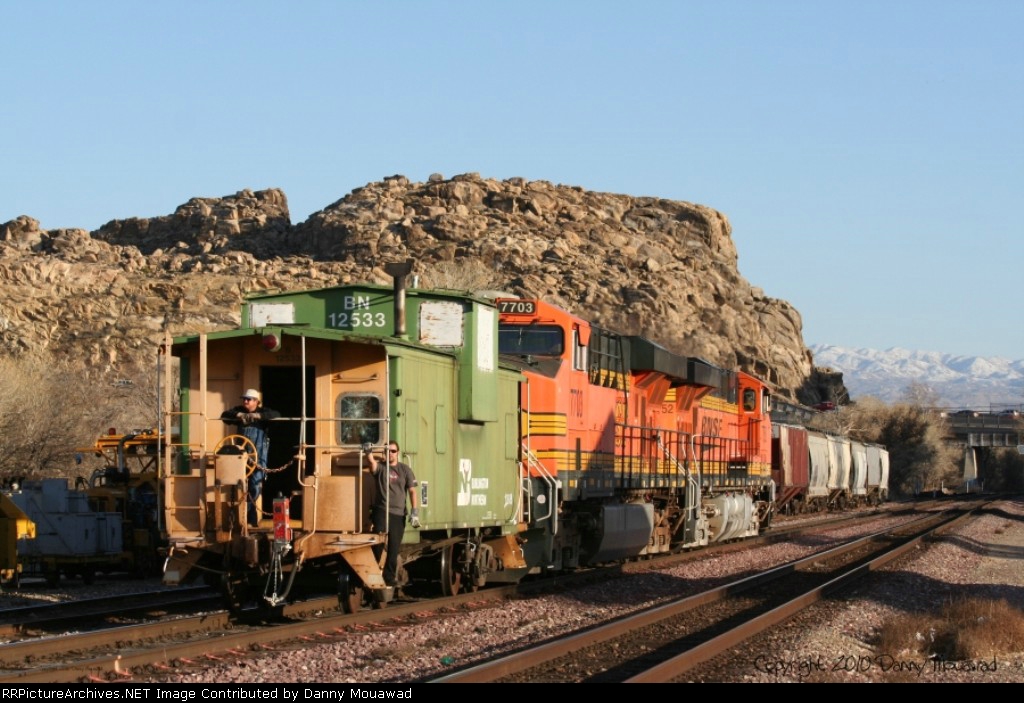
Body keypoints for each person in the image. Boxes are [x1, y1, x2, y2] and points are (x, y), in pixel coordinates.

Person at [221, 389, 281, 527]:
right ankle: (245, 520)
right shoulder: (239, 410)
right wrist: (239, 415)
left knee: (254, 486)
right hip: (240, 458)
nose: (245, 401)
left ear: (256, 402)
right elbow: (225, 415)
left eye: (248, 399)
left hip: (258, 458)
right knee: (240, 486)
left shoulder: (263, 411)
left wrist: (258, 416)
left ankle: (250, 519)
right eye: (244, 399)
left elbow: (276, 415)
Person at [366, 441, 419, 588]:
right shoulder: (381, 467)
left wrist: (415, 512)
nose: (390, 453)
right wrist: (368, 452)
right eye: (387, 451)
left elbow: (412, 491)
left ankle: (388, 577)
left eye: (393, 451)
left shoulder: (405, 470)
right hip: (382, 510)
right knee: (379, 541)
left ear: (398, 453)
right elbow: (371, 463)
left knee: (394, 547)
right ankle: (375, 572)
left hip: (398, 513)